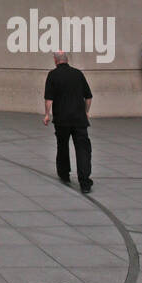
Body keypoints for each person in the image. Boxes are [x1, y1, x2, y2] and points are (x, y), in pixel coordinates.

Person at [43, 50, 93, 194]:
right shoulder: (78, 74)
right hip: (79, 119)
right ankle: (84, 182)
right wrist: (86, 112)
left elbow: (49, 99)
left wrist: (47, 114)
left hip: (61, 119)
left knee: (62, 145)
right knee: (83, 149)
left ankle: (64, 173)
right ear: (66, 59)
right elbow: (88, 97)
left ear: (55, 60)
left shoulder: (52, 75)